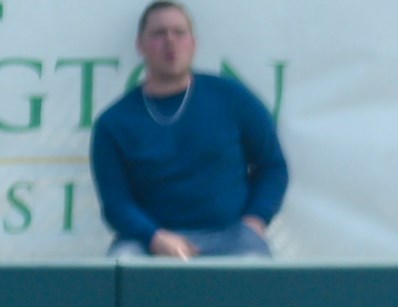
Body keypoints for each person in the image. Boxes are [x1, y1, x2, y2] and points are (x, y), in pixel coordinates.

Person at [90, 3, 288, 259]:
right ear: (140, 45)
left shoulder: (233, 98)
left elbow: (272, 165)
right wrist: (154, 237)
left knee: (255, 265)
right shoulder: (114, 122)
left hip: (232, 236)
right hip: (151, 240)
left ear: (193, 43)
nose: (170, 42)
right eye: (159, 34)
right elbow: (116, 204)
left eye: (179, 33)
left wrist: (256, 220)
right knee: (122, 261)